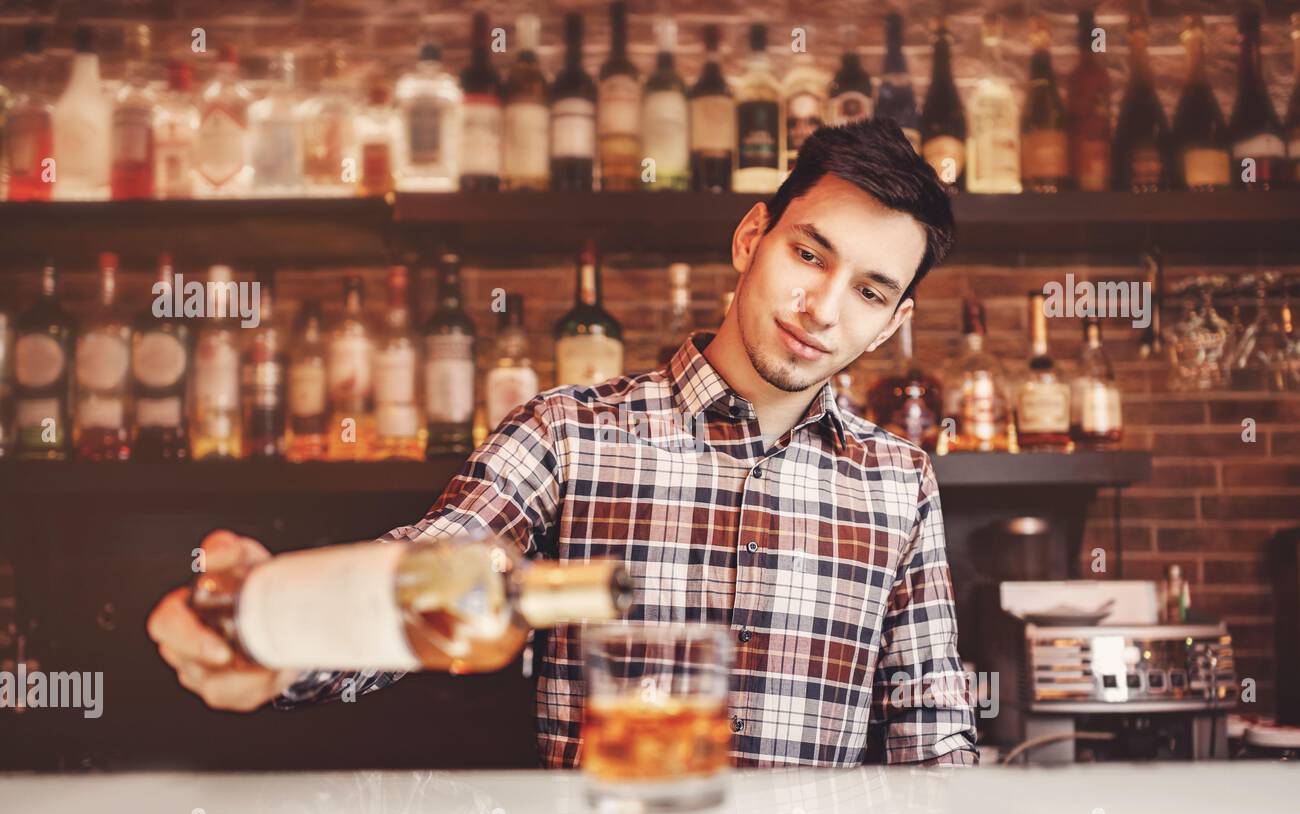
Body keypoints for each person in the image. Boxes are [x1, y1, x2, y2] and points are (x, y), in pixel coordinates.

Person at [147, 118, 978, 768]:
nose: (824, 309)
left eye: (868, 292)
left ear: (891, 325)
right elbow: (430, 577)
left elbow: (931, 723)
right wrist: (278, 642)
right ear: (749, 238)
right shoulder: (568, 433)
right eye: (807, 253)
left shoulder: (897, 480)